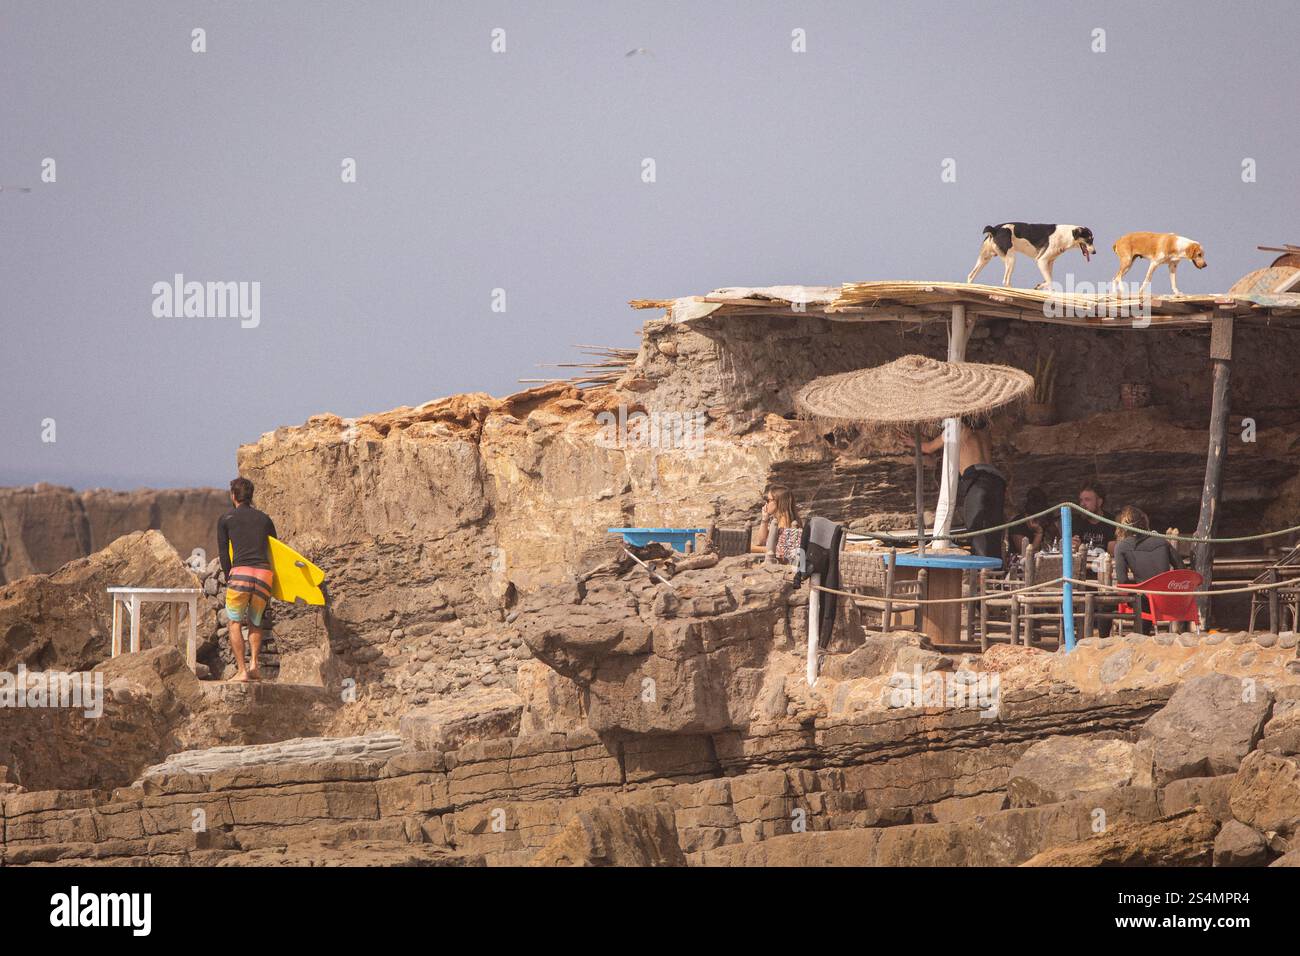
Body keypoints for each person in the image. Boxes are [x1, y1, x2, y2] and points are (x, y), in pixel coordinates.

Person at [216, 477, 277, 682]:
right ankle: (255, 666)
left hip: (240, 573)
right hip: (263, 574)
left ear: (233, 495)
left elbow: (224, 554)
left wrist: (228, 576)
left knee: (234, 623)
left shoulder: (226, 519)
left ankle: (242, 671)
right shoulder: (265, 519)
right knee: (255, 621)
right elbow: (274, 550)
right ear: (251, 496)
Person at [922, 413, 1006, 559]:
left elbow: (928, 448)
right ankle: (995, 572)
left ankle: (980, 572)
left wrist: (911, 442)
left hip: (976, 479)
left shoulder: (956, 429)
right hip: (996, 480)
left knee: (975, 527)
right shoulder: (984, 432)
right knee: (993, 530)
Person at [1113, 505, 1180, 583]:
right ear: (1145, 522)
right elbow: (1182, 570)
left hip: (1144, 593)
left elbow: (1122, 581)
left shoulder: (1121, 547)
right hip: (1166, 591)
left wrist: (1138, 584)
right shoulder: (1163, 541)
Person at [755, 484, 802, 564]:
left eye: (768, 500)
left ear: (779, 502)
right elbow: (761, 541)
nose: (766, 504)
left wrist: (749, 548)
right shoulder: (777, 520)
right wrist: (765, 519)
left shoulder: (786, 523)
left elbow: (779, 552)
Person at [1009, 486, 1060, 555]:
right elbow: (1026, 554)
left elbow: (1058, 538)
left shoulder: (1045, 520)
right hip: (1019, 561)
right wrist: (1039, 533)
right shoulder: (1017, 525)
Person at [1072, 481, 1116, 555]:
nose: (1082, 504)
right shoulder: (1077, 521)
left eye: (1087, 500)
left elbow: (1113, 553)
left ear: (1099, 502)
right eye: (1081, 500)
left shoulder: (1112, 522)